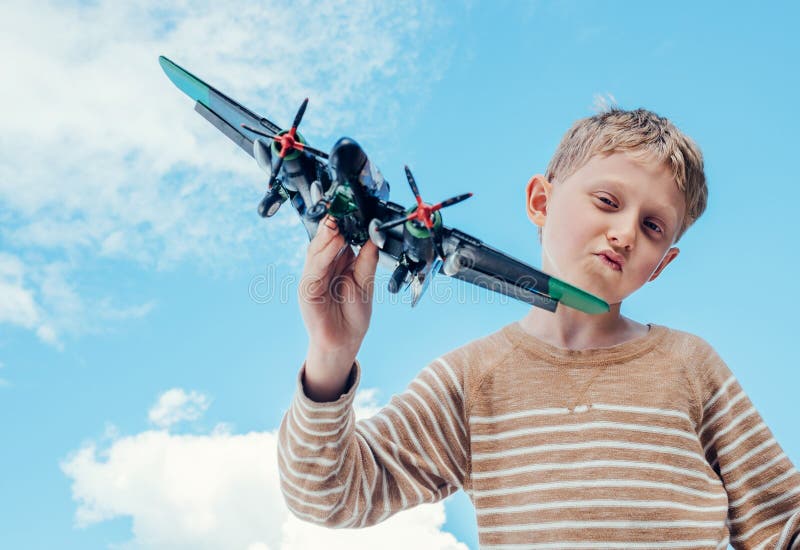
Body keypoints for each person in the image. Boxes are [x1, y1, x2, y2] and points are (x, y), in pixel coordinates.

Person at [277, 107, 800, 548]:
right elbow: (327, 493)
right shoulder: (472, 379)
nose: (624, 234)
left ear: (661, 264)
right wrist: (330, 351)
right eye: (608, 202)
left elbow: (782, 525)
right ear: (541, 202)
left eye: (652, 226)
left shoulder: (690, 365)